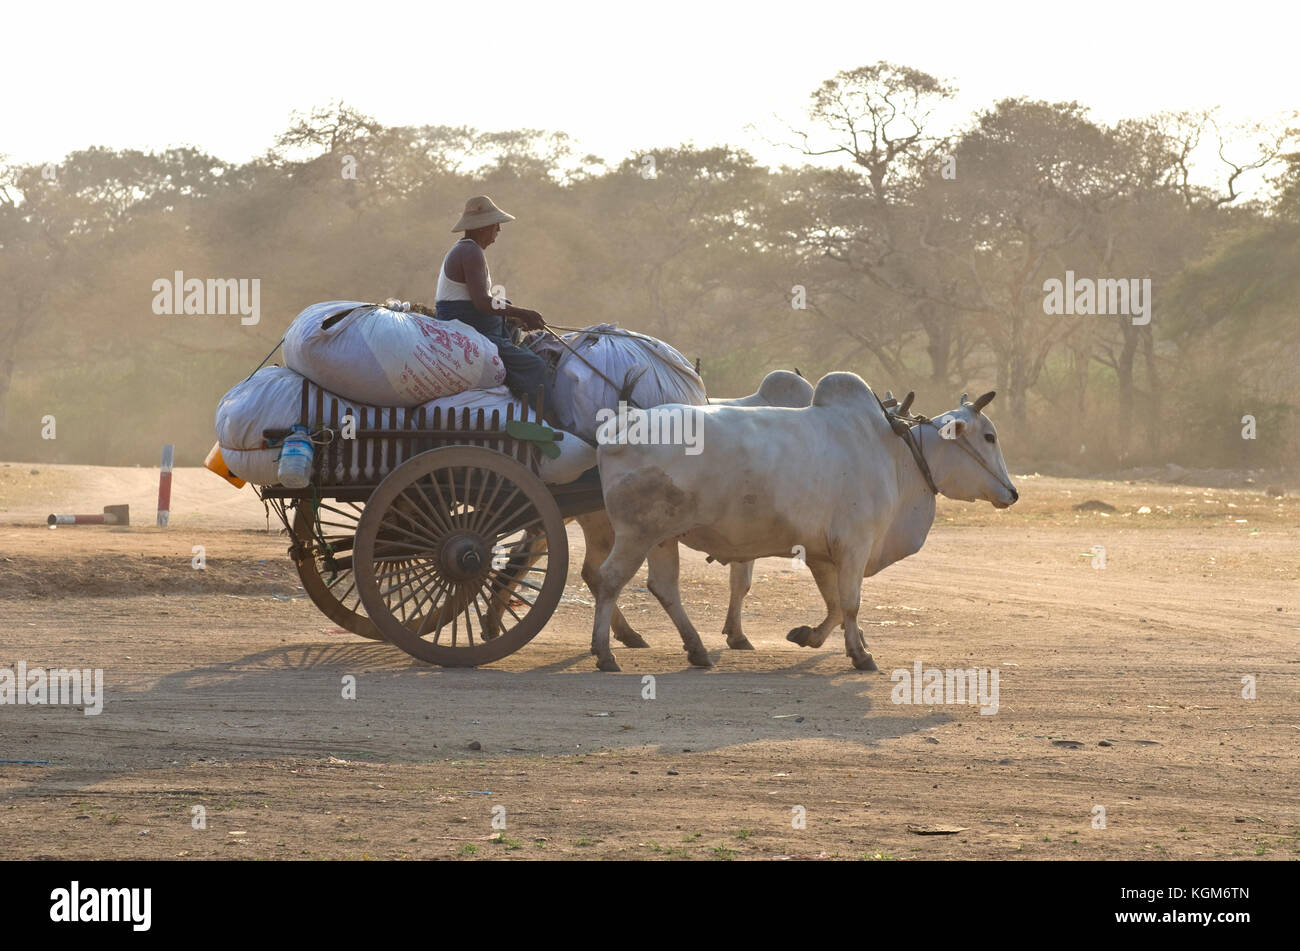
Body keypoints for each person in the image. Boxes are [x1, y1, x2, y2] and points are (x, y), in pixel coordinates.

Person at [435, 196, 553, 417]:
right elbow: (481, 302)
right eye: (496, 227)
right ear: (484, 227)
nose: (497, 233)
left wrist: (511, 315)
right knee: (534, 367)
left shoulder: (467, 250)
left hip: (475, 326)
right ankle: (548, 423)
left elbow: (480, 301)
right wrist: (521, 312)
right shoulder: (470, 251)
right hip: (470, 332)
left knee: (517, 339)